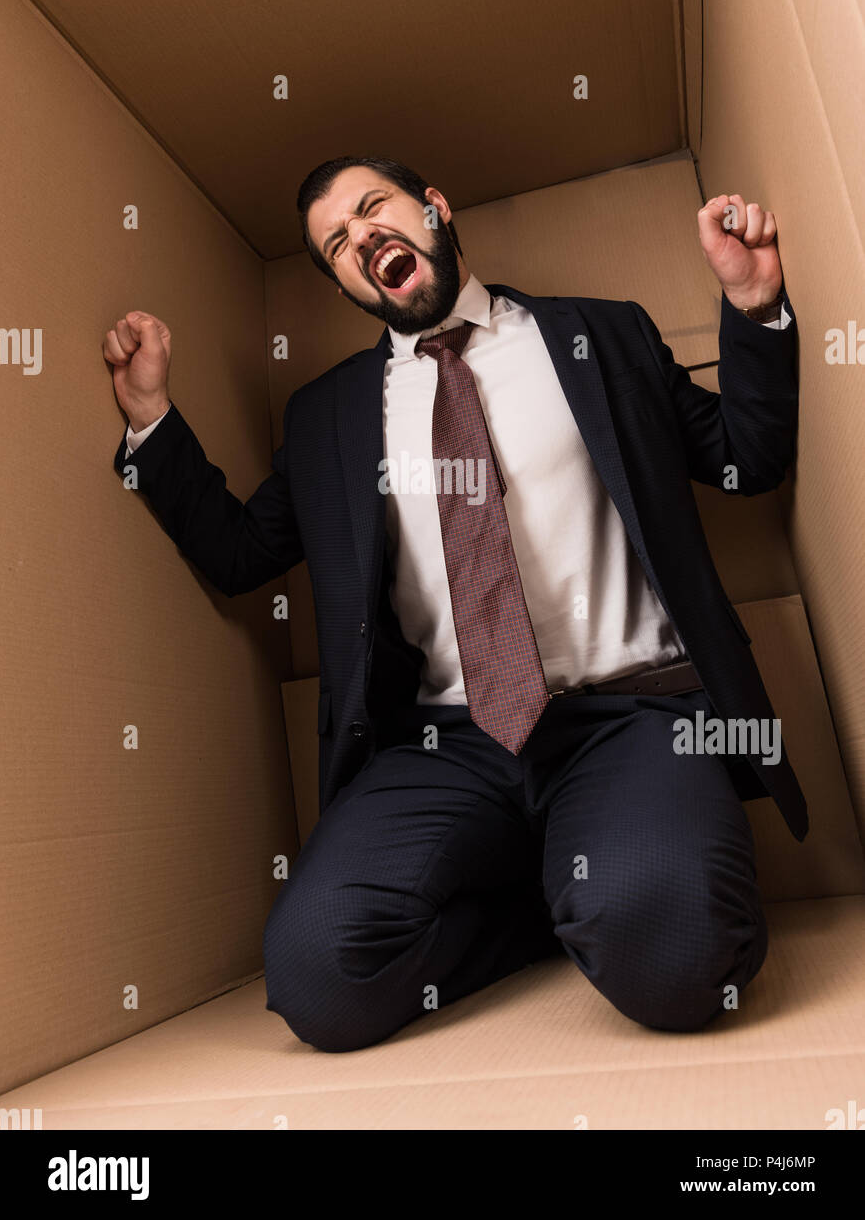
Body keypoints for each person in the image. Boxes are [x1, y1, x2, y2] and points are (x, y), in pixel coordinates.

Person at [104, 155, 806, 1053]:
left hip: (631, 717)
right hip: (448, 745)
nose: (360, 239)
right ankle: (542, 902)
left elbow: (748, 458)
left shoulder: (598, 335)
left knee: (673, 960)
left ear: (434, 206)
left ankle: (600, 887)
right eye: (336, 245)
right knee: (319, 977)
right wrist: (150, 420)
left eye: (372, 210)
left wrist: (754, 306)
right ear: (346, 284)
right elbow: (241, 554)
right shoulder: (328, 417)